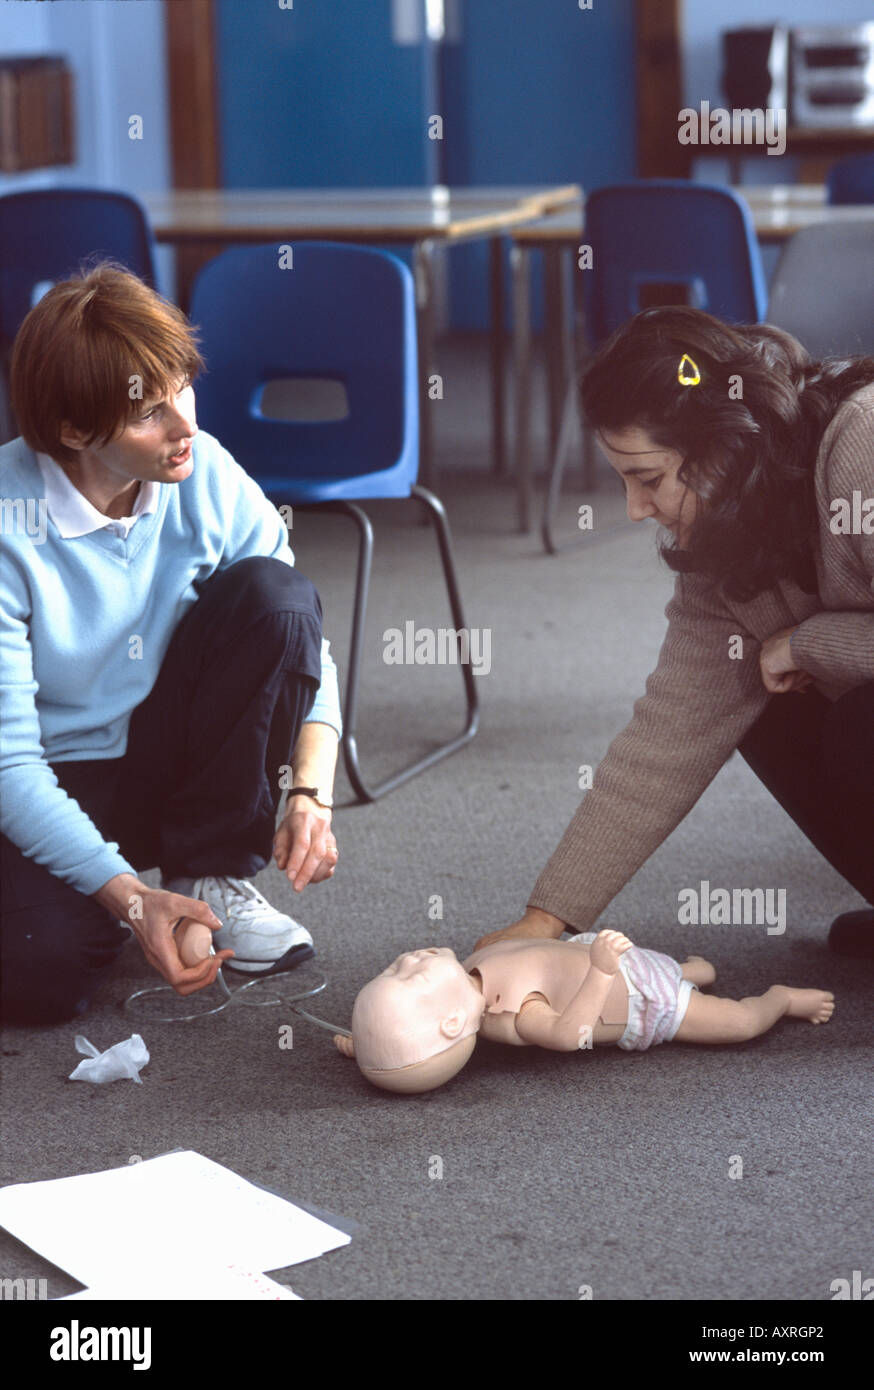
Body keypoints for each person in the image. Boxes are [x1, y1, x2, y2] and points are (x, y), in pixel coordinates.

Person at [0, 264, 342, 1024]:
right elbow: (11, 762)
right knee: (42, 976)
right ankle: (131, 892)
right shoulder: (5, 522)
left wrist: (310, 787)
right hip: (53, 773)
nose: (185, 425)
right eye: (150, 412)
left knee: (275, 595)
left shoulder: (203, 468)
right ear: (72, 431)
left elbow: (300, 638)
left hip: (166, 752)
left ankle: (204, 870)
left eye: (182, 386)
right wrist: (125, 899)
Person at [477, 307, 874, 959]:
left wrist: (809, 643)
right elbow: (669, 733)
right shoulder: (723, 544)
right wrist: (545, 923)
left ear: (723, 445)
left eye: (648, 478)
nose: (635, 509)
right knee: (757, 692)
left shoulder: (862, 443)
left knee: (861, 716)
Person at [333, 933, 835, 1094]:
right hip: (642, 999)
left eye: (391, 968)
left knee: (679, 970)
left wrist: (370, 1044)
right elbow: (571, 1034)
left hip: (603, 954)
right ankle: (781, 999)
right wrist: (599, 972)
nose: (405, 961)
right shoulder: (516, 1017)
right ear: (449, 1024)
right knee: (738, 1023)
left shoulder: (471, 978)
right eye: (411, 976)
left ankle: (691, 970)